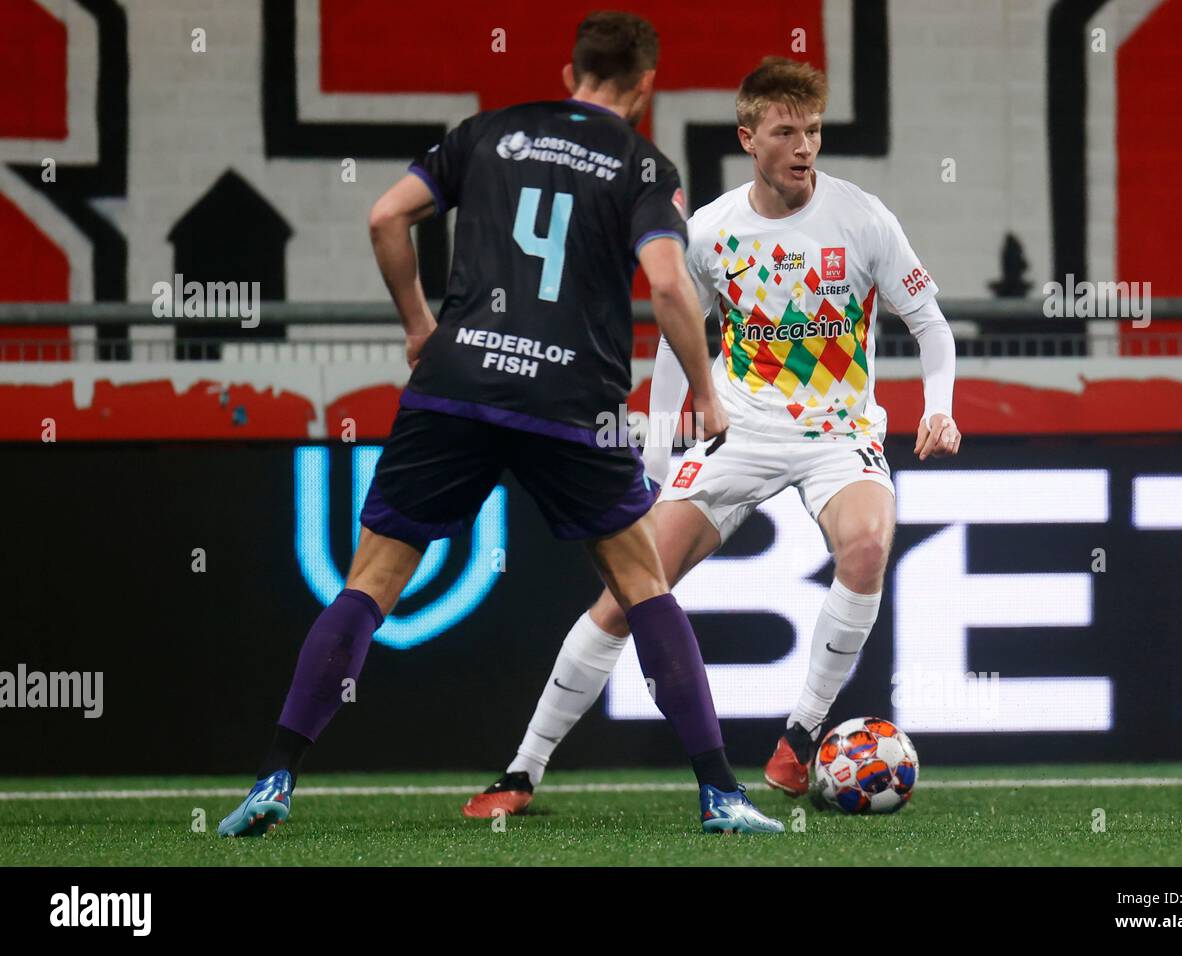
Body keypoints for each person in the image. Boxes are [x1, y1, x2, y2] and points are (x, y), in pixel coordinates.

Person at [219, 12, 783, 838]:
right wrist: (707, 389)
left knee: (370, 583)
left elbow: (384, 217)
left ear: (570, 73)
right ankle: (720, 794)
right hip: (570, 399)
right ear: (646, 86)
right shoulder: (642, 165)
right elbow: (668, 285)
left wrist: (418, 325)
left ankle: (274, 777)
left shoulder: (488, 133)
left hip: (457, 382)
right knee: (642, 587)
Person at [464, 56, 960, 819]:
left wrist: (940, 406)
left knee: (866, 544)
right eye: (787, 132)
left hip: (839, 432)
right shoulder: (711, 230)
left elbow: (929, 323)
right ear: (748, 137)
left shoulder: (864, 219)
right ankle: (522, 771)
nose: (804, 147)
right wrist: (662, 453)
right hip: (740, 428)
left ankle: (797, 738)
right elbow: (672, 338)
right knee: (629, 591)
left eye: (815, 131)